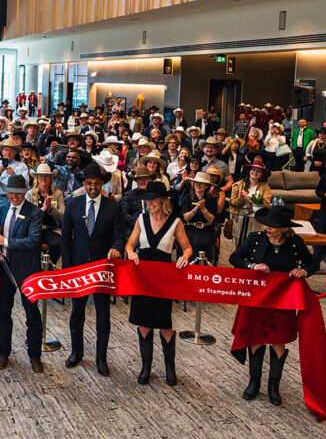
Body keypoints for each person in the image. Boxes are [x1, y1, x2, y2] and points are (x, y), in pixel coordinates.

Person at [228, 206, 318, 405]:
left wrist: (303, 271)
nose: (268, 227)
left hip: (283, 300)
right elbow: (234, 258)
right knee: (256, 337)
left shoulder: (295, 243)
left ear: (285, 228)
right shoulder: (255, 238)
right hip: (256, 299)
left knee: (279, 340)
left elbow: (312, 263)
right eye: (267, 223)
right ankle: (254, 383)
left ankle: (273, 387)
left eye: (274, 225)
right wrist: (252, 266)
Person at [124, 182, 192, 386]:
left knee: (165, 324)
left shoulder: (175, 222)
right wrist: (130, 252)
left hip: (163, 280)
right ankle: (146, 366)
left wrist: (185, 257)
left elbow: (187, 248)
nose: (149, 203)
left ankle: (170, 368)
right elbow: (130, 243)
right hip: (142, 278)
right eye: (147, 200)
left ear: (163, 200)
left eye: (153, 200)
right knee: (144, 323)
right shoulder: (141, 220)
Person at [60, 162, 124, 376]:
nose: (93, 187)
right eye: (89, 183)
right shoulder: (73, 204)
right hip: (78, 268)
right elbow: (66, 238)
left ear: (102, 184)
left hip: (102, 269)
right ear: (84, 184)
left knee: (103, 315)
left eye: (97, 183)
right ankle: (76, 352)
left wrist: (116, 248)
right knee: (77, 312)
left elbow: (118, 236)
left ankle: (101, 358)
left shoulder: (112, 206)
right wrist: (68, 269)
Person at [0, 174, 44, 372]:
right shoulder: (1, 209)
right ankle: (3, 352)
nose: (15, 196)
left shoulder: (35, 212)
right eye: (11, 192)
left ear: (24, 193)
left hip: (27, 269)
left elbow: (33, 241)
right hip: (5, 268)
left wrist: (7, 242)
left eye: (19, 193)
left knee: (32, 313)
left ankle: (35, 355)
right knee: (4, 310)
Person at [25, 162, 65, 264]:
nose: (43, 178)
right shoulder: (29, 194)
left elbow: (63, 217)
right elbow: (27, 217)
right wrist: (43, 209)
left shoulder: (57, 194)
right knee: (31, 245)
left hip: (52, 229)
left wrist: (51, 208)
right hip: (34, 229)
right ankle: (35, 268)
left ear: (51, 178)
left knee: (57, 244)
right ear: (37, 178)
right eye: (41, 176)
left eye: (46, 176)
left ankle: (49, 267)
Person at [181, 171, 221, 264]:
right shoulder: (187, 198)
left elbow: (211, 219)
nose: (198, 185)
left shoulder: (211, 200)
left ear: (207, 186)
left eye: (202, 184)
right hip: (190, 229)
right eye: (197, 183)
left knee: (205, 255)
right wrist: (196, 208)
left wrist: (203, 209)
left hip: (206, 230)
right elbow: (185, 217)